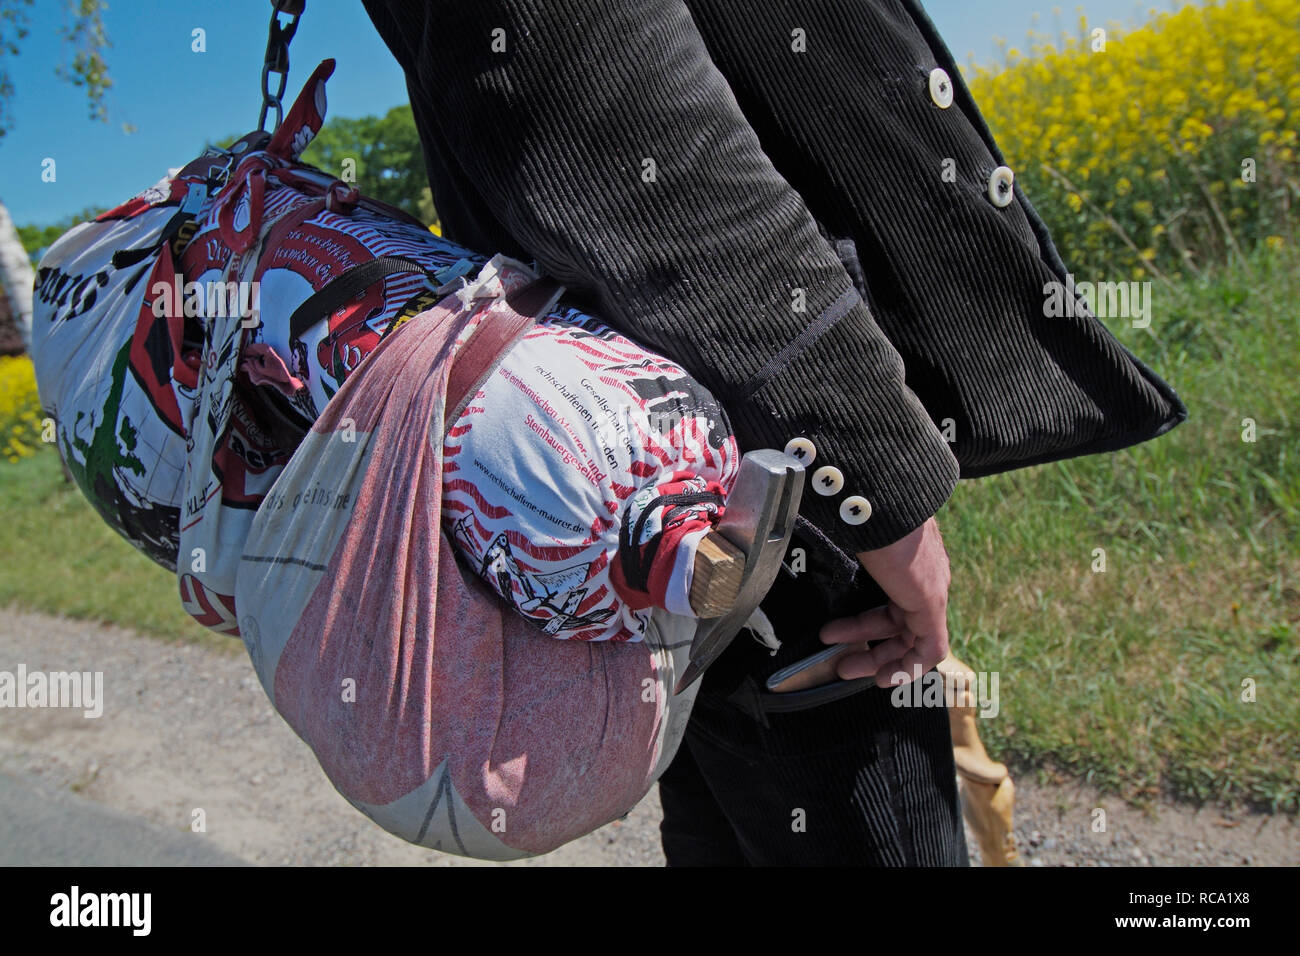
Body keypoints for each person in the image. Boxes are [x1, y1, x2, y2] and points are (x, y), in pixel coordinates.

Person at [361, 0, 1186, 865]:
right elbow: (622, 127)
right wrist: (872, 479)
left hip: (641, 450)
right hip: (732, 460)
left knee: (724, 792)